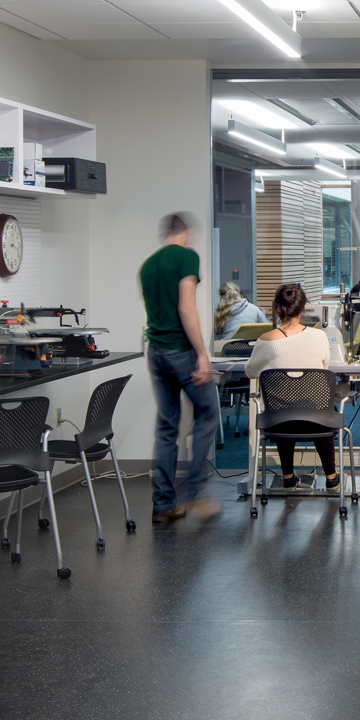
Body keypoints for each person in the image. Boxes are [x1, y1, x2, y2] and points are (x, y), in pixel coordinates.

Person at [140, 212, 220, 525]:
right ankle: (195, 494)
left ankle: (163, 505)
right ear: (184, 233)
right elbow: (186, 307)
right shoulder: (187, 257)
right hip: (180, 351)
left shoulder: (148, 265)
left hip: (155, 352)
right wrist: (201, 354)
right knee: (208, 413)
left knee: (166, 427)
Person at [246, 282, 345, 491]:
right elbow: (324, 367)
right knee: (318, 406)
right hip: (318, 421)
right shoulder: (319, 336)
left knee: (283, 404)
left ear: (276, 308)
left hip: (278, 421)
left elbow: (250, 371)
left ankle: (288, 477)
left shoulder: (265, 341)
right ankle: (332, 477)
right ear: (303, 307)